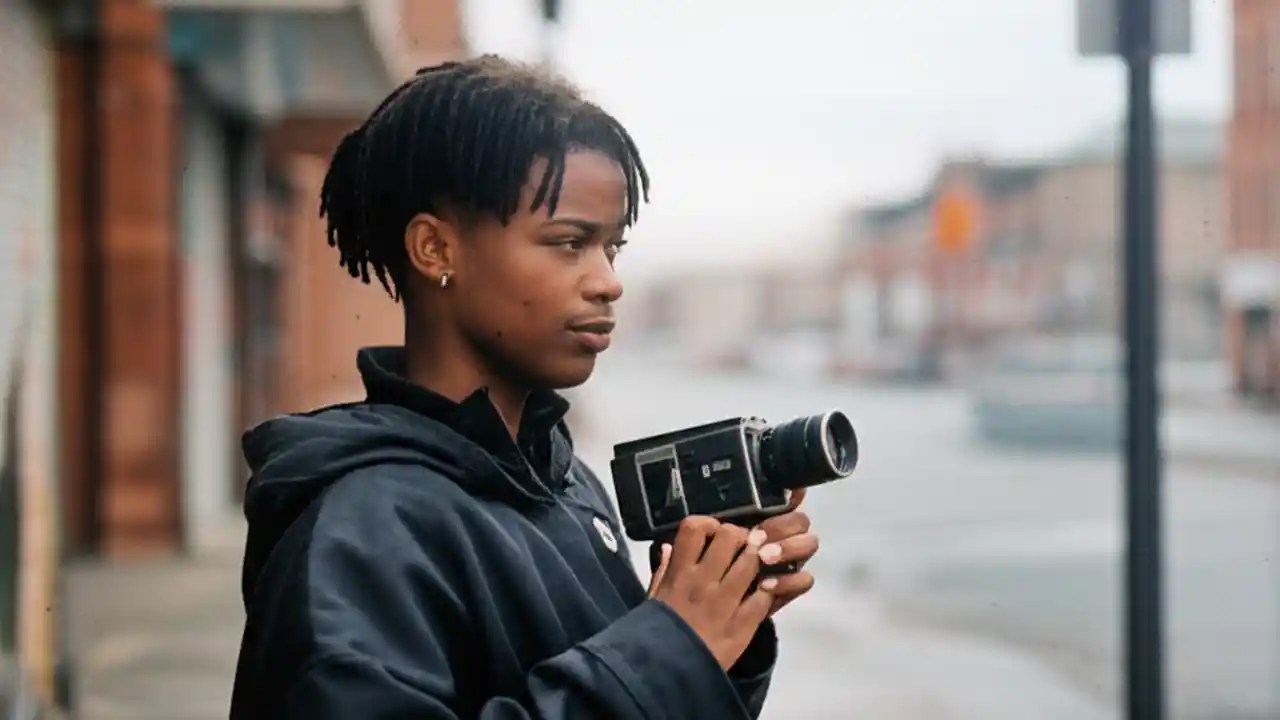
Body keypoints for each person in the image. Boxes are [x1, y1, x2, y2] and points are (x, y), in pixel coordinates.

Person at [229, 55, 821, 719]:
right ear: (435, 250)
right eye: (569, 243)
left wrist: (717, 634)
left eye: (612, 248)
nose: (608, 281)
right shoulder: (360, 529)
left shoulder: (568, 484)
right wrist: (668, 648)